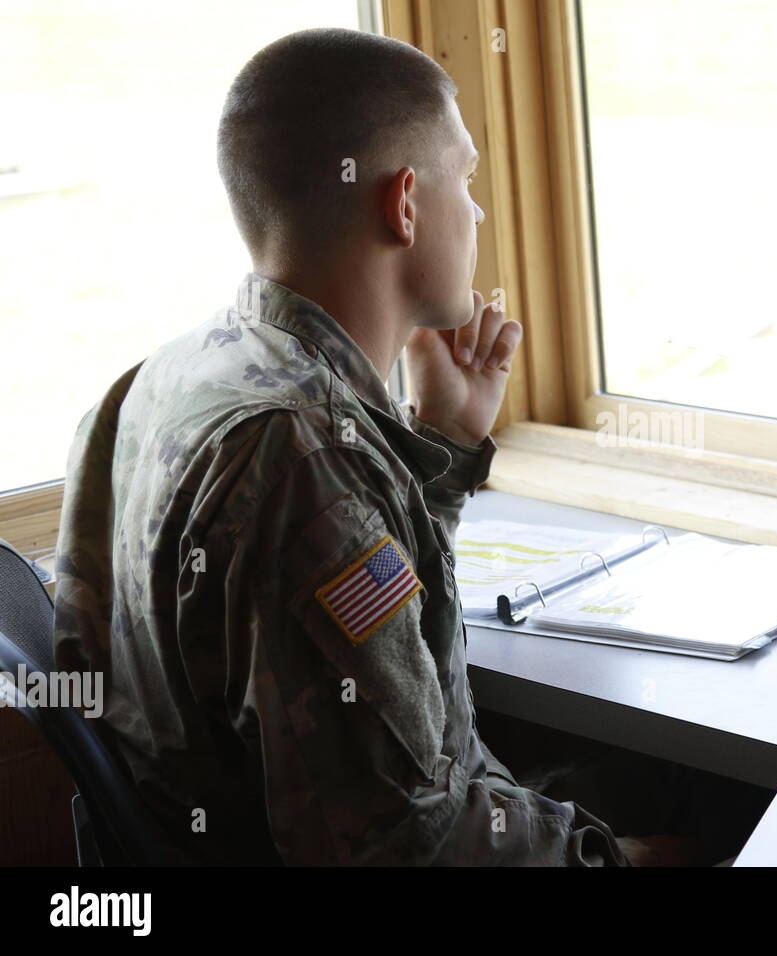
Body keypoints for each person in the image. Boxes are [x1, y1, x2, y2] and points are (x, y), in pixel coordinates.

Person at [52, 26, 683, 866]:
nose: (481, 211)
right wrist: (629, 860)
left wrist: (446, 444)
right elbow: (407, 841)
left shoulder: (160, 379)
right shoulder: (300, 454)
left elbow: (350, 627)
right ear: (406, 203)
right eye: (466, 179)